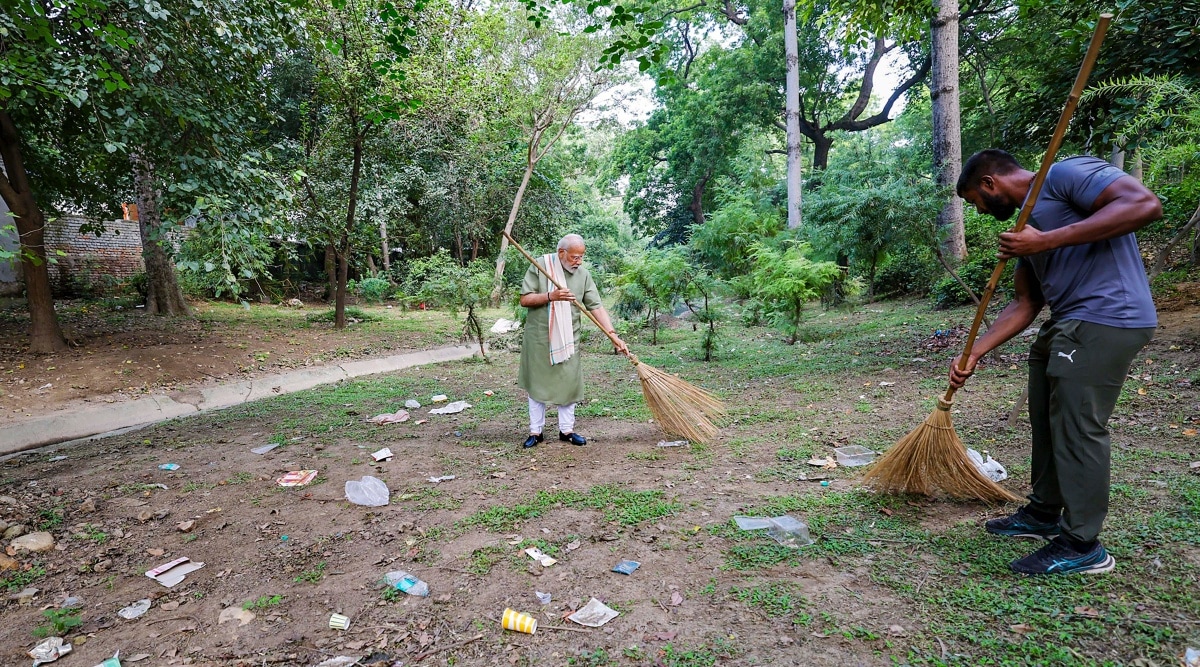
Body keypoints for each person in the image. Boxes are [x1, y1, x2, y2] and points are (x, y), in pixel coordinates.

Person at [950, 149, 1161, 575]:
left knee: (1078, 426)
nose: (979, 210)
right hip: (1065, 322)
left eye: (976, 200)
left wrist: (1045, 240)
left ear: (991, 183)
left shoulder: (1065, 174)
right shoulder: (1023, 226)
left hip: (1106, 316)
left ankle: (1083, 543)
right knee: (1046, 417)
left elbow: (1145, 205)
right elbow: (1026, 302)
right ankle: (1044, 512)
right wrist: (974, 351)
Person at [517, 234, 626, 449]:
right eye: (575, 257)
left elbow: (595, 306)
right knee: (537, 383)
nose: (579, 262)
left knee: (569, 381)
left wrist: (612, 334)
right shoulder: (541, 266)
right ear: (561, 253)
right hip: (539, 338)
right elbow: (524, 299)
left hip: (569, 339)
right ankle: (535, 431)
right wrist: (551, 296)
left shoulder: (583, 275)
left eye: (581, 257)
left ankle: (566, 430)